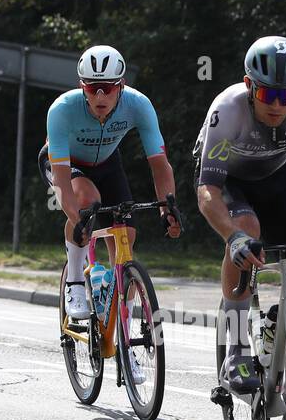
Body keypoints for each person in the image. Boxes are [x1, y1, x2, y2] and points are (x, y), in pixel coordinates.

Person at [193, 36, 286, 394]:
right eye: (268, 94)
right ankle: (237, 350)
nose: (277, 104)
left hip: (277, 179)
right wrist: (233, 237)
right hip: (230, 181)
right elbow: (207, 191)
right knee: (247, 228)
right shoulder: (227, 110)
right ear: (248, 86)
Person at [39, 44, 181, 382]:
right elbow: (60, 178)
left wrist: (169, 207)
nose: (100, 95)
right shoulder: (62, 110)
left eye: (108, 87)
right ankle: (76, 279)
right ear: (81, 87)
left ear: (122, 85)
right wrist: (76, 219)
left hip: (107, 164)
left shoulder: (139, 105)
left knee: (127, 240)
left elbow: (159, 164)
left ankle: (124, 341)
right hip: (64, 165)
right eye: (92, 87)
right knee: (87, 200)